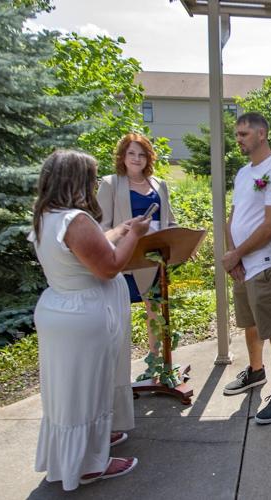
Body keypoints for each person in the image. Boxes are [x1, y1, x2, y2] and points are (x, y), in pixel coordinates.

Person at [30, 150, 149, 490]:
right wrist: (134, 235)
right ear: (77, 180)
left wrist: (118, 230)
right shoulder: (77, 220)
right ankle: (88, 464)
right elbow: (109, 266)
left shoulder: (47, 215)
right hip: (82, 316)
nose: (96, 184)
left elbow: (86, 248)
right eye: (93, 178)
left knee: (70, 389)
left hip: (61, 309)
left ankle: (81, 449)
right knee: (88, 387)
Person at [221, 112, 271, 425]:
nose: (238, 139)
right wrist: (232, 255)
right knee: (250, 324)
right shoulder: (243, 173)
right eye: (237, 134)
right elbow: (234, 217)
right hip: (243, 264)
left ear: (261, 134)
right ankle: (256, 371)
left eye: (243, 134)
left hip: (266, 264)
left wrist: (237, 253)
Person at [97, 133, 178, 354]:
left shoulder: (159, 185)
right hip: (126, 260)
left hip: (154, 260)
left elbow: (170, 221)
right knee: (120, 317)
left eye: (142, 154)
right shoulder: (110, 184)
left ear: (149, 158)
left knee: (156, 314)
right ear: (122, 156)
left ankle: (157, 362)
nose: (136, 158)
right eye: (131, 153)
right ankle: (118, 368)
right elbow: (102, 228)